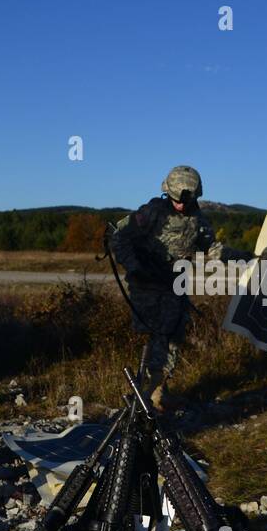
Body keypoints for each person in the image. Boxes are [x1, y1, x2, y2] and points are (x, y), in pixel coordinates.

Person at [109, 165, 250, 410]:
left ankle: (157, 393)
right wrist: (135, 267)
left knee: (173, 335)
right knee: (159, 334)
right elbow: (120, 238)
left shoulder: (198, 220)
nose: (181, 205)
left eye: (187, 200)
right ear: (168, 193)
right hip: (147, 282)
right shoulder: (151, 213)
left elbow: (214, 250)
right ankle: (142, 397)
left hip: (175, 282)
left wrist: (248, 257)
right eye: (176, 200)